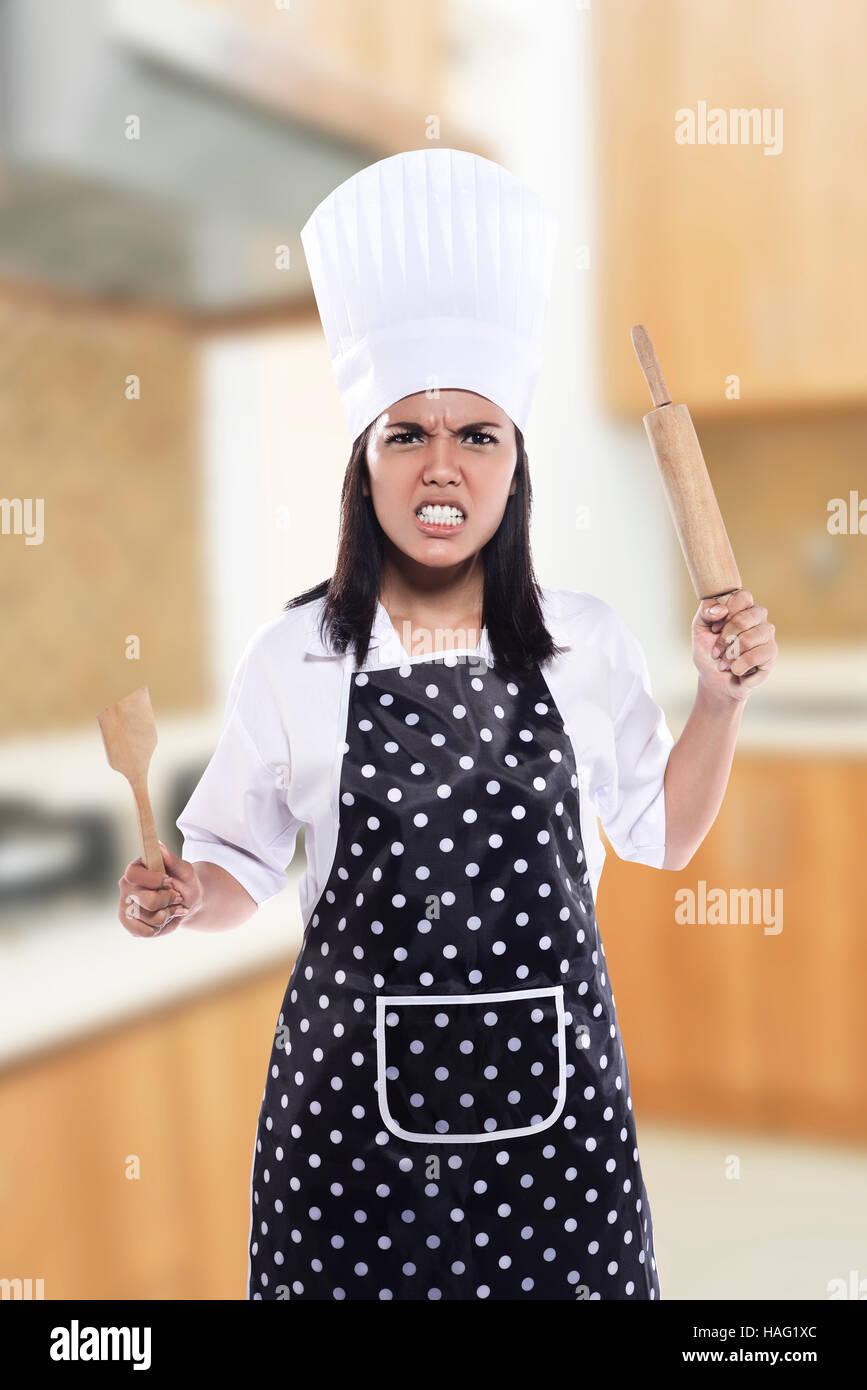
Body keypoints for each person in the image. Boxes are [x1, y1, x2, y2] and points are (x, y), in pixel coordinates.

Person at [117, 149, 777, 1300]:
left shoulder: (588, 642)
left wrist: (720, 701)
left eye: (476, 434)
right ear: (362, 465)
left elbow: (665, 834)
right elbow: (236, 864)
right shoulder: (296, 656)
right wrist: (182, 896)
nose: (441, 465)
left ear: (515, 467)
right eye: (405, 433)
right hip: (348, 1154)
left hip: (560, 1148)